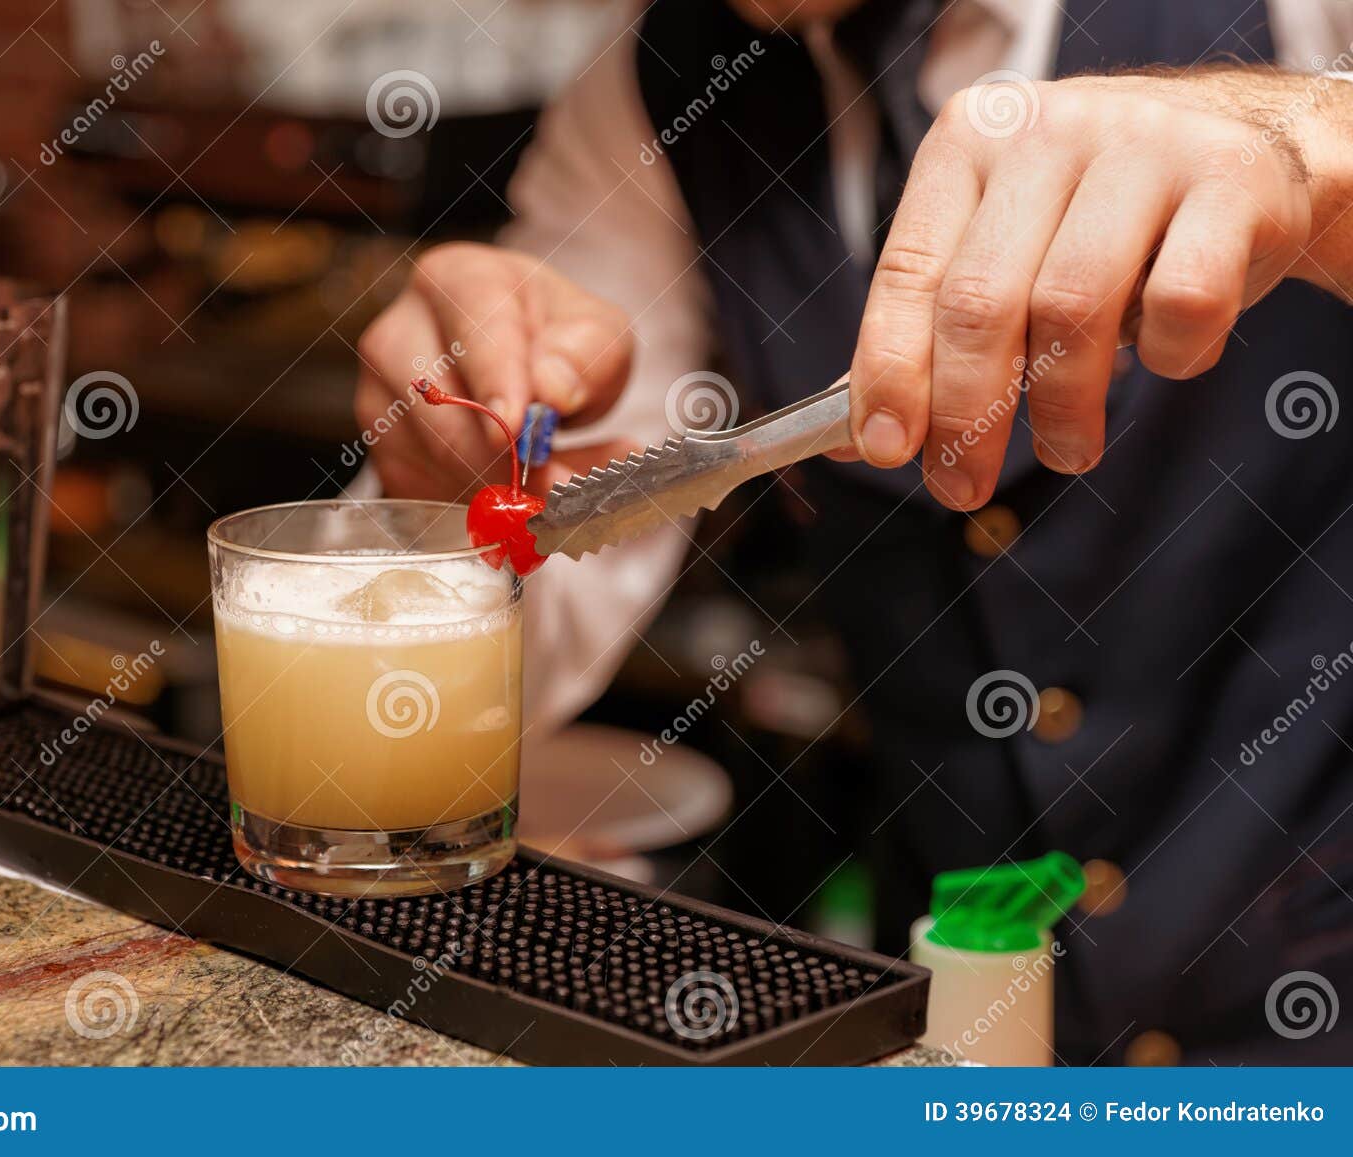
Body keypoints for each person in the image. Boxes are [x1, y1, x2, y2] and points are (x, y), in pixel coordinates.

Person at [351, 0, 1353, 1063]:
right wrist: (430, 507)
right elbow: (515, 648)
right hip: (949, 1011)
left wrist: (1308, 143)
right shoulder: (655, 90)